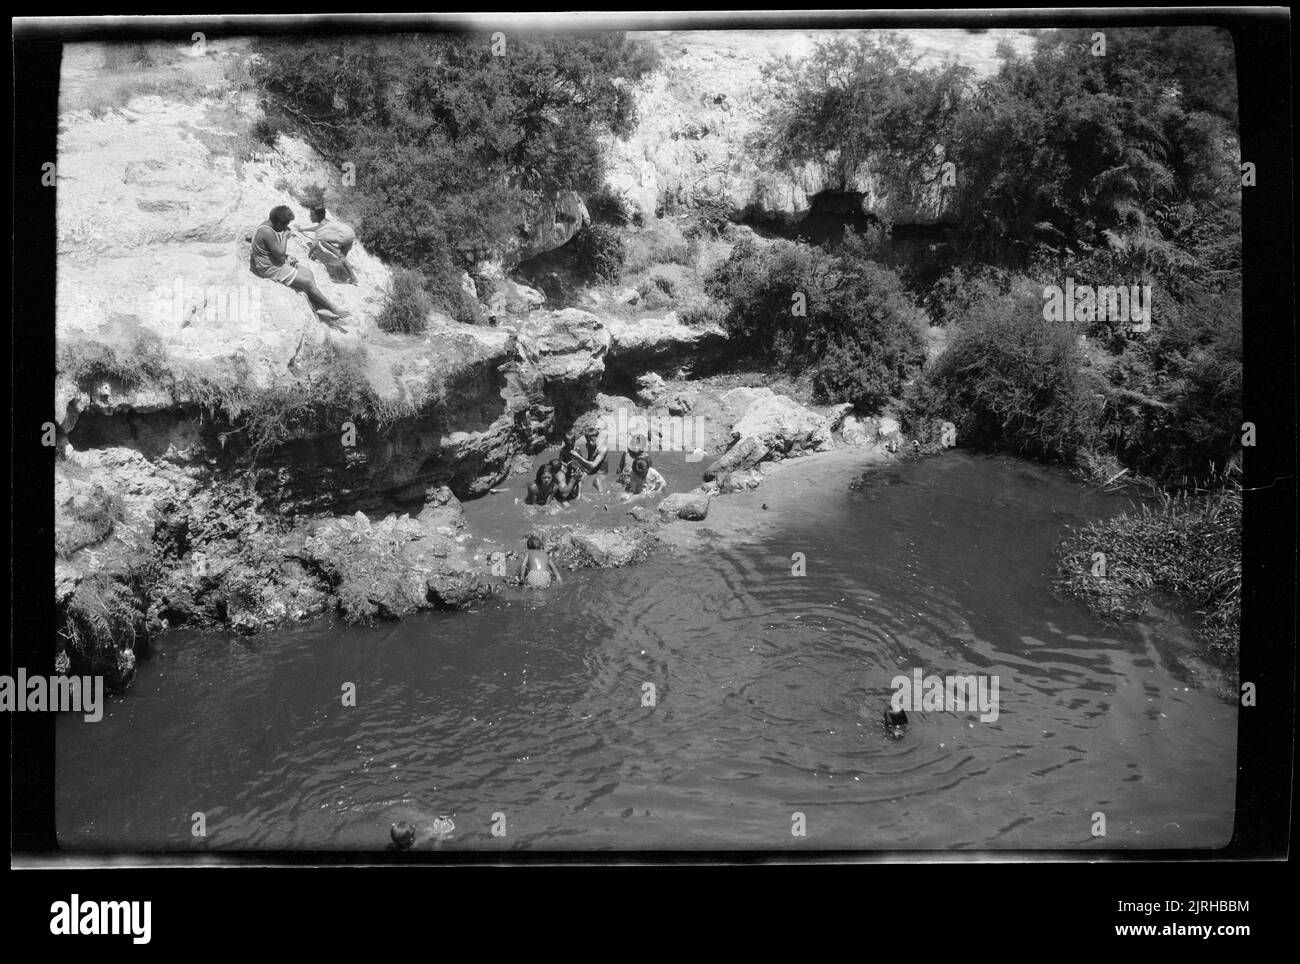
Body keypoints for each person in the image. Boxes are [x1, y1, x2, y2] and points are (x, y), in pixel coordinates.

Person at [248, 205, 350, 321]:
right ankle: (333, 308)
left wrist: (286, 258)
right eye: (285, 225)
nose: (286, 227)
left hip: (275, 262)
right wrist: (285, 236)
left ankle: (318, 305)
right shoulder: (268, 232)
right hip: (270, 269)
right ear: (278, 222)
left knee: (309, 274)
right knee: (308, 283)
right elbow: (280, 254)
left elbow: (269, 247)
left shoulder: (266, 225)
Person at [297, 205, 359, 285]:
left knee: (323, 240)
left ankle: (338, 252)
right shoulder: (326, 222)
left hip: (345, 235)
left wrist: (308, 256)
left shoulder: (321, 228)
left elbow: (314, 244)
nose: (310, 216)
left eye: (312, 215)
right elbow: (316, 228)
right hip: (350, 232)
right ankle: (353, 277)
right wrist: (303, 229)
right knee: (343, 258)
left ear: (318, 216)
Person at [568, 425, 609, 493]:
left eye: (592, 440)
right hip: (590, 472)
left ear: (597, 438)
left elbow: (593, 465)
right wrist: (577, 453)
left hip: (600, 474)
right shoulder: (587, 445)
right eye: (588, 440)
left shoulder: (603, 449)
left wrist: (578, 456)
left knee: (598, 485)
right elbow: (584, 463)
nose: (590, 443)